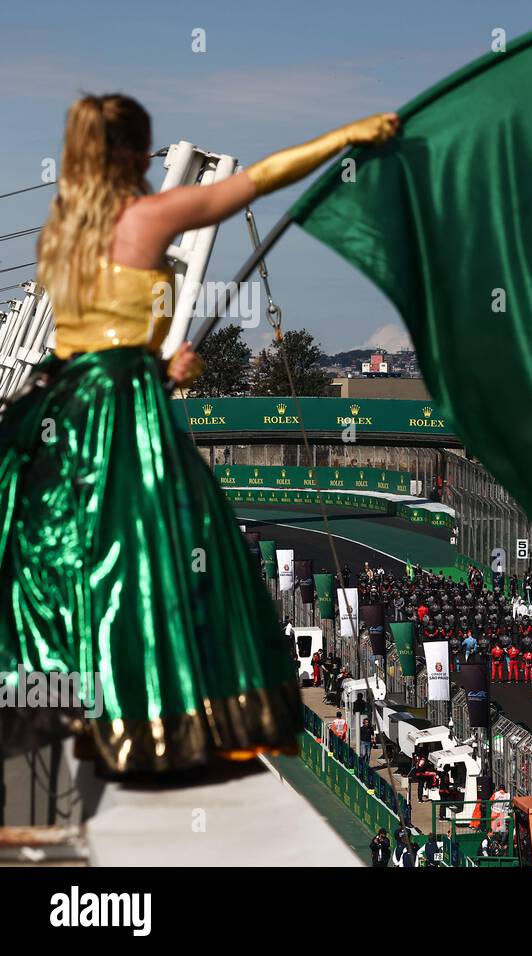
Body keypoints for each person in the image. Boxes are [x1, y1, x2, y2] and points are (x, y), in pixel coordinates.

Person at [0, 94, 398, 773]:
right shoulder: (149, 216)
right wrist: (347, 134)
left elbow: (82, 343)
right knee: (155, 557)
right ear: (131, 154)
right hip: (123, 411)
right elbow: (260, 179)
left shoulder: (61, 235)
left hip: (55, 406)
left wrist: (155, 359)